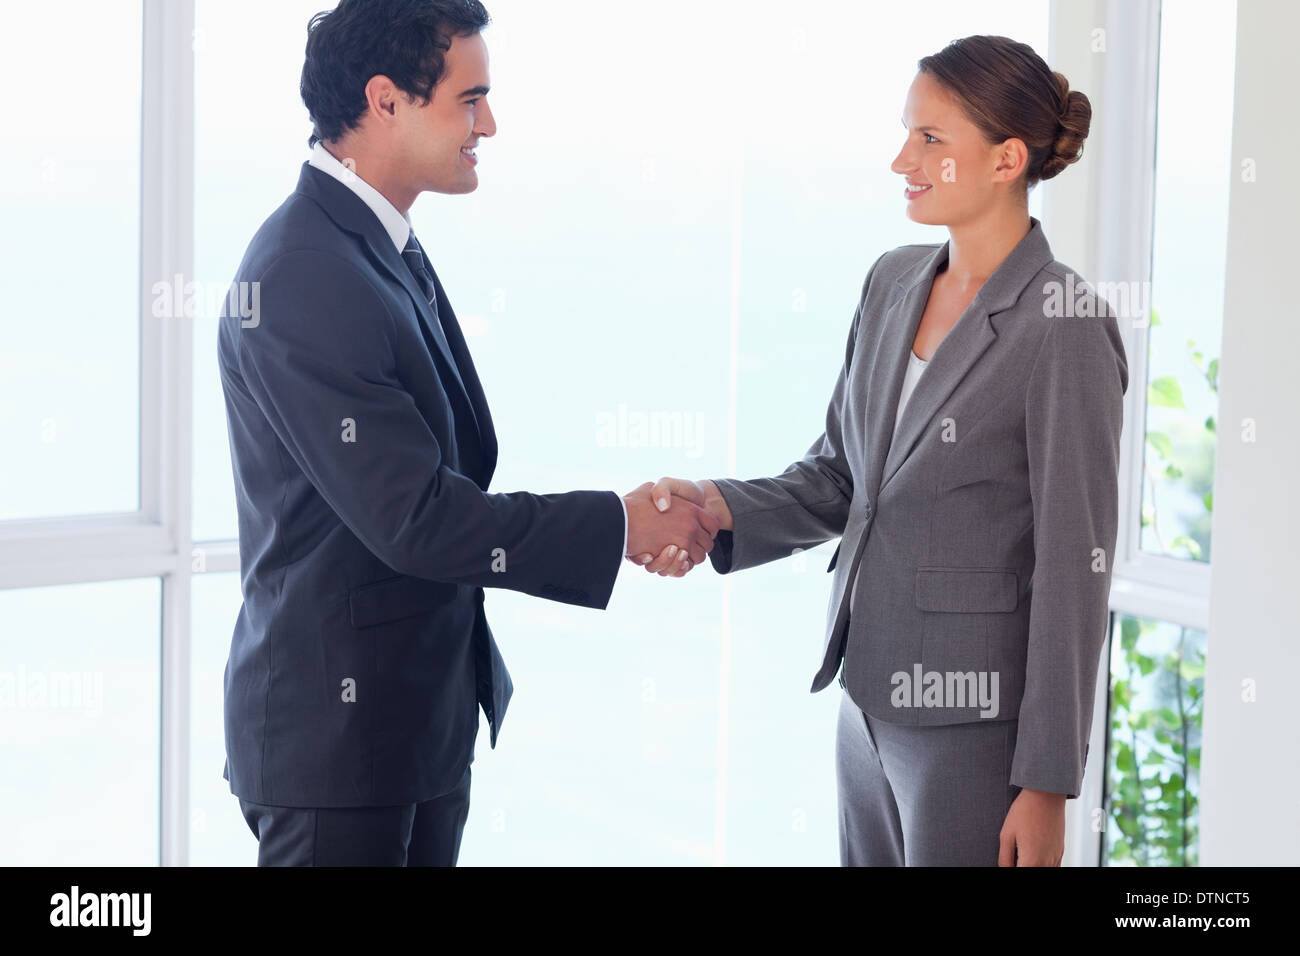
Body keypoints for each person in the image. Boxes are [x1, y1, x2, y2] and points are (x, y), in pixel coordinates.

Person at [217, 0, 717, 866]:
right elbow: (414, 516)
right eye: (471, 99)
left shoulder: (375, 243)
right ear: (385, 100)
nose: (491, 124)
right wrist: (620, 524)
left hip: (409, 729)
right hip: (337, 754)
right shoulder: (306, 271)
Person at [635, 34, 1128, 867]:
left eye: (931, 140)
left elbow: (1075, 568)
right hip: (864, 701)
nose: (903, 157)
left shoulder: (1063, 324)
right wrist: (716, 508)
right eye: (908, 132)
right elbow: (841, 477)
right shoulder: (893, 280)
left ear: (1007, 159)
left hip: (976, 733)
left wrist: (1047, 785)